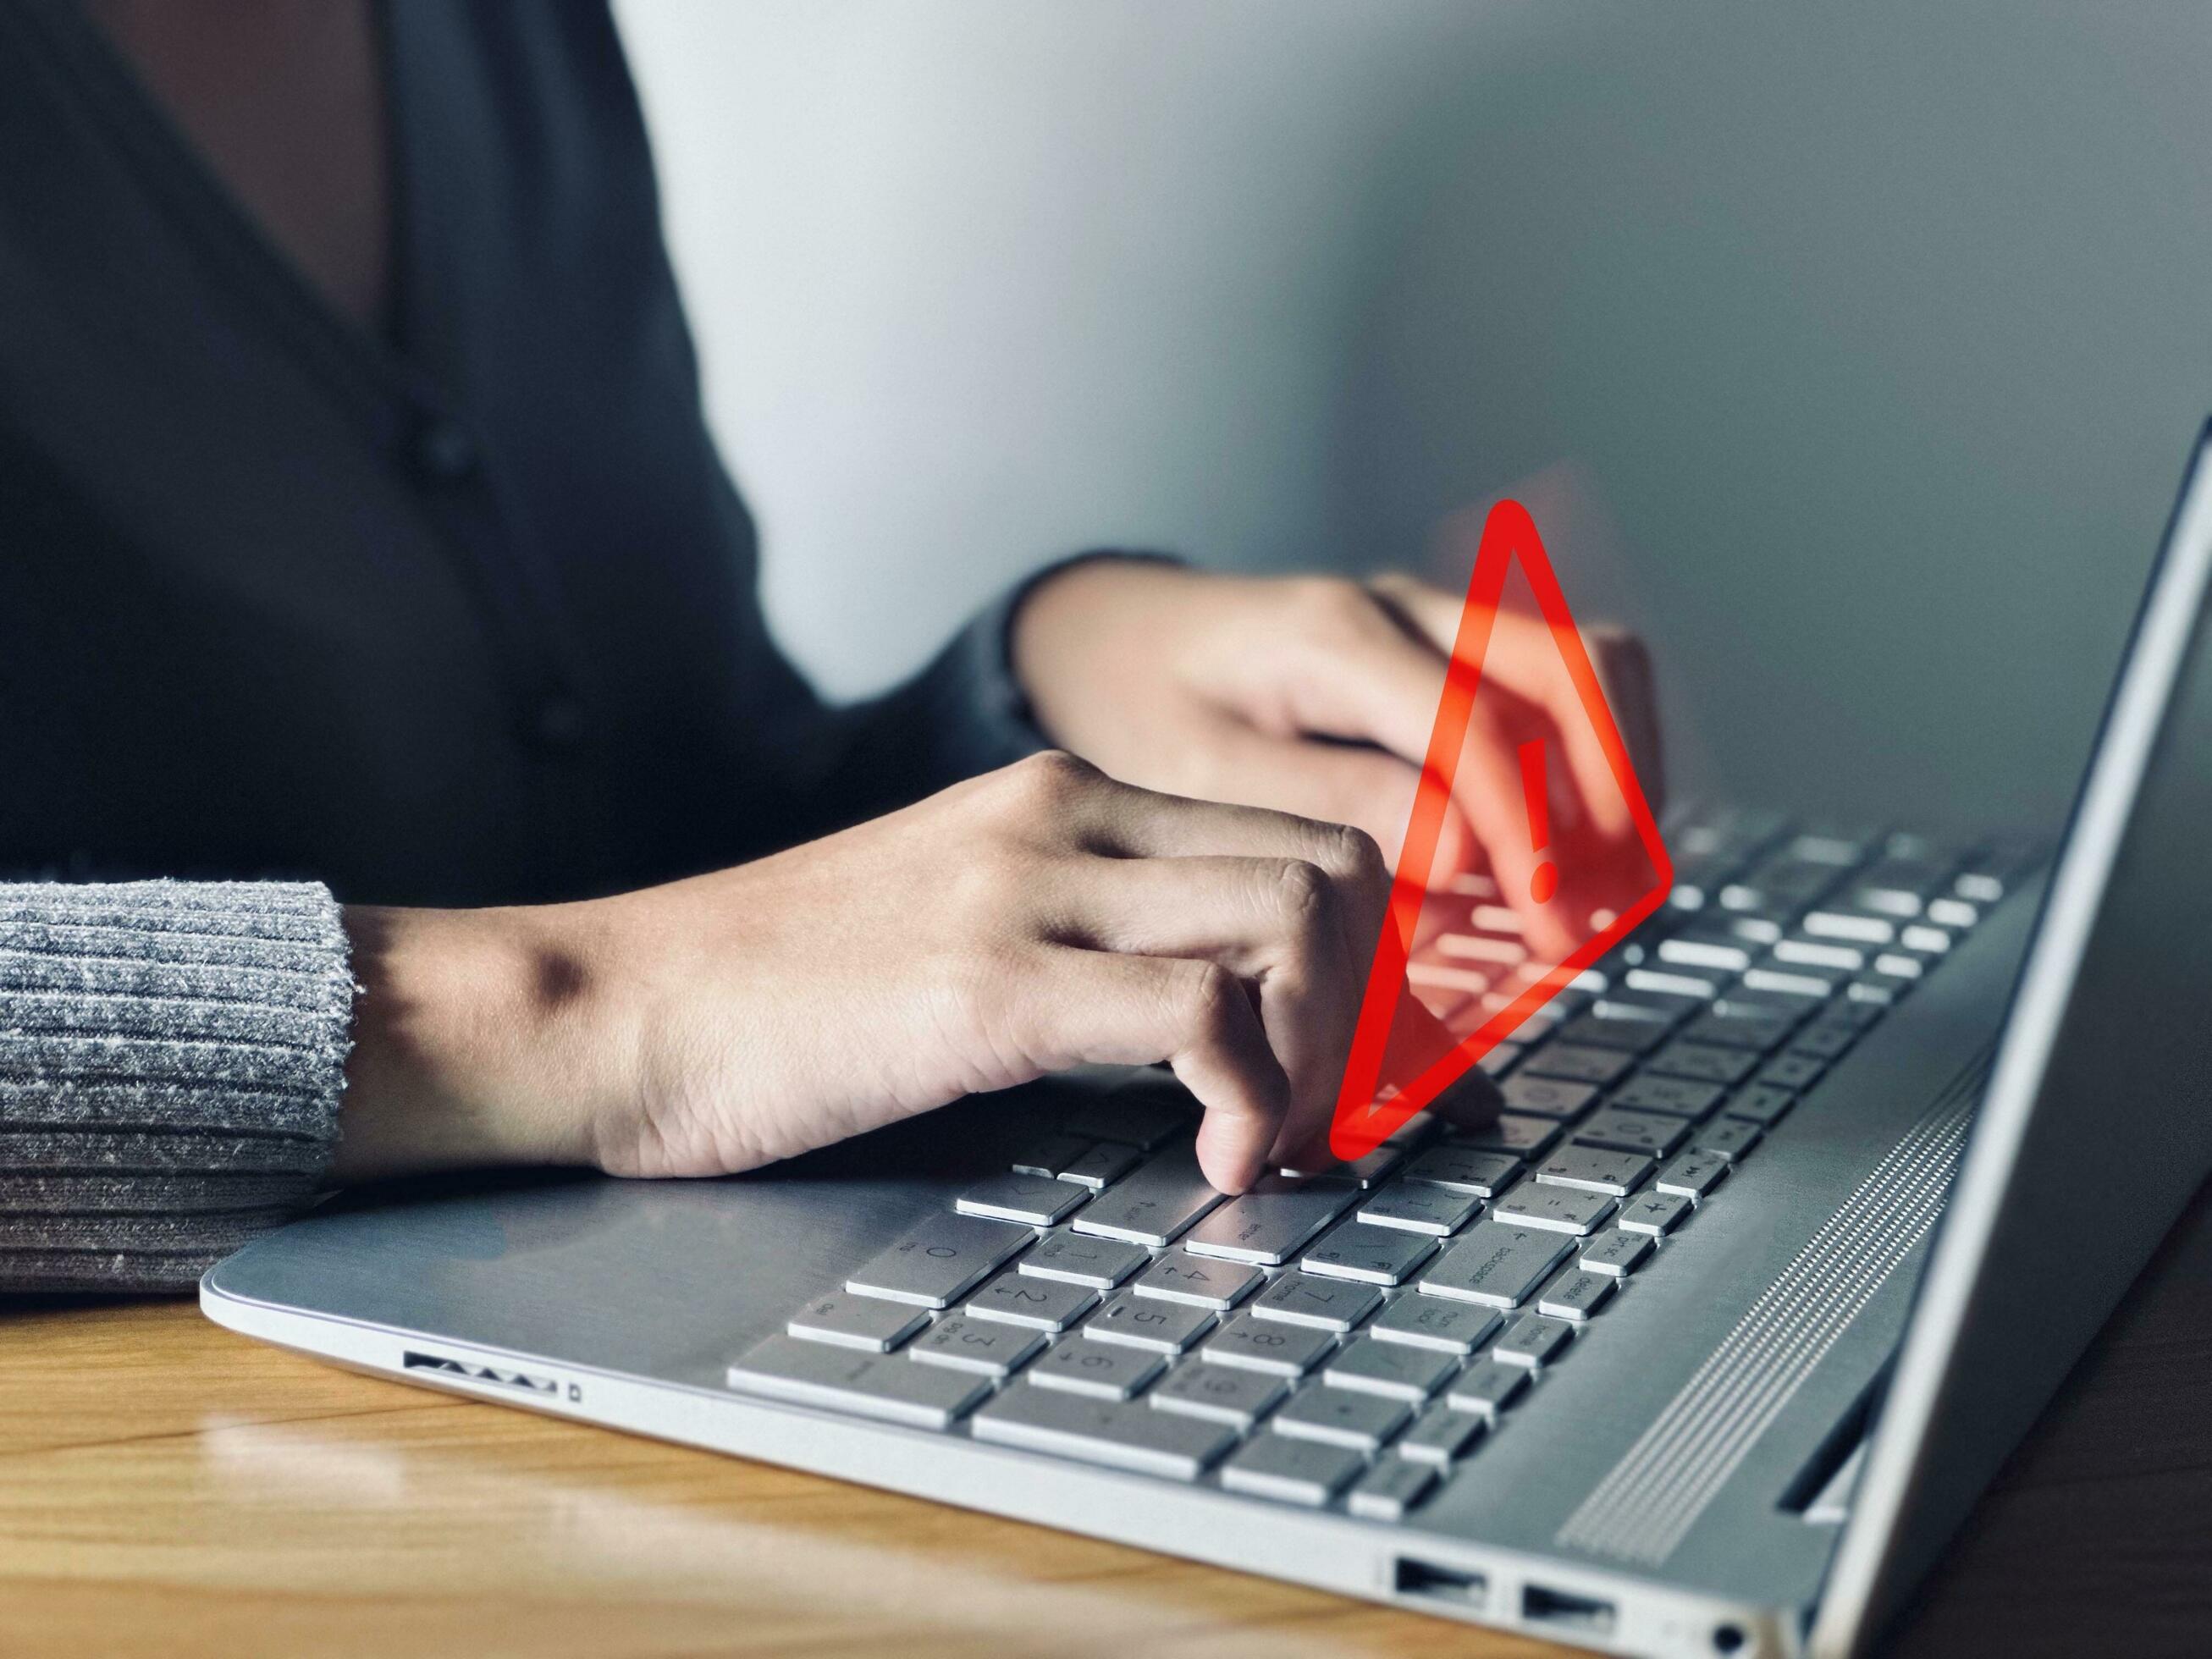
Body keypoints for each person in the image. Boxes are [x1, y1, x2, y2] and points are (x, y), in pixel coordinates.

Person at [0, 0, 1657, 1292]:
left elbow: (663, 848)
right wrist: (558, 1009)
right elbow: (650, 978)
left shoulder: (491, 32)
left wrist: (1043, 691)